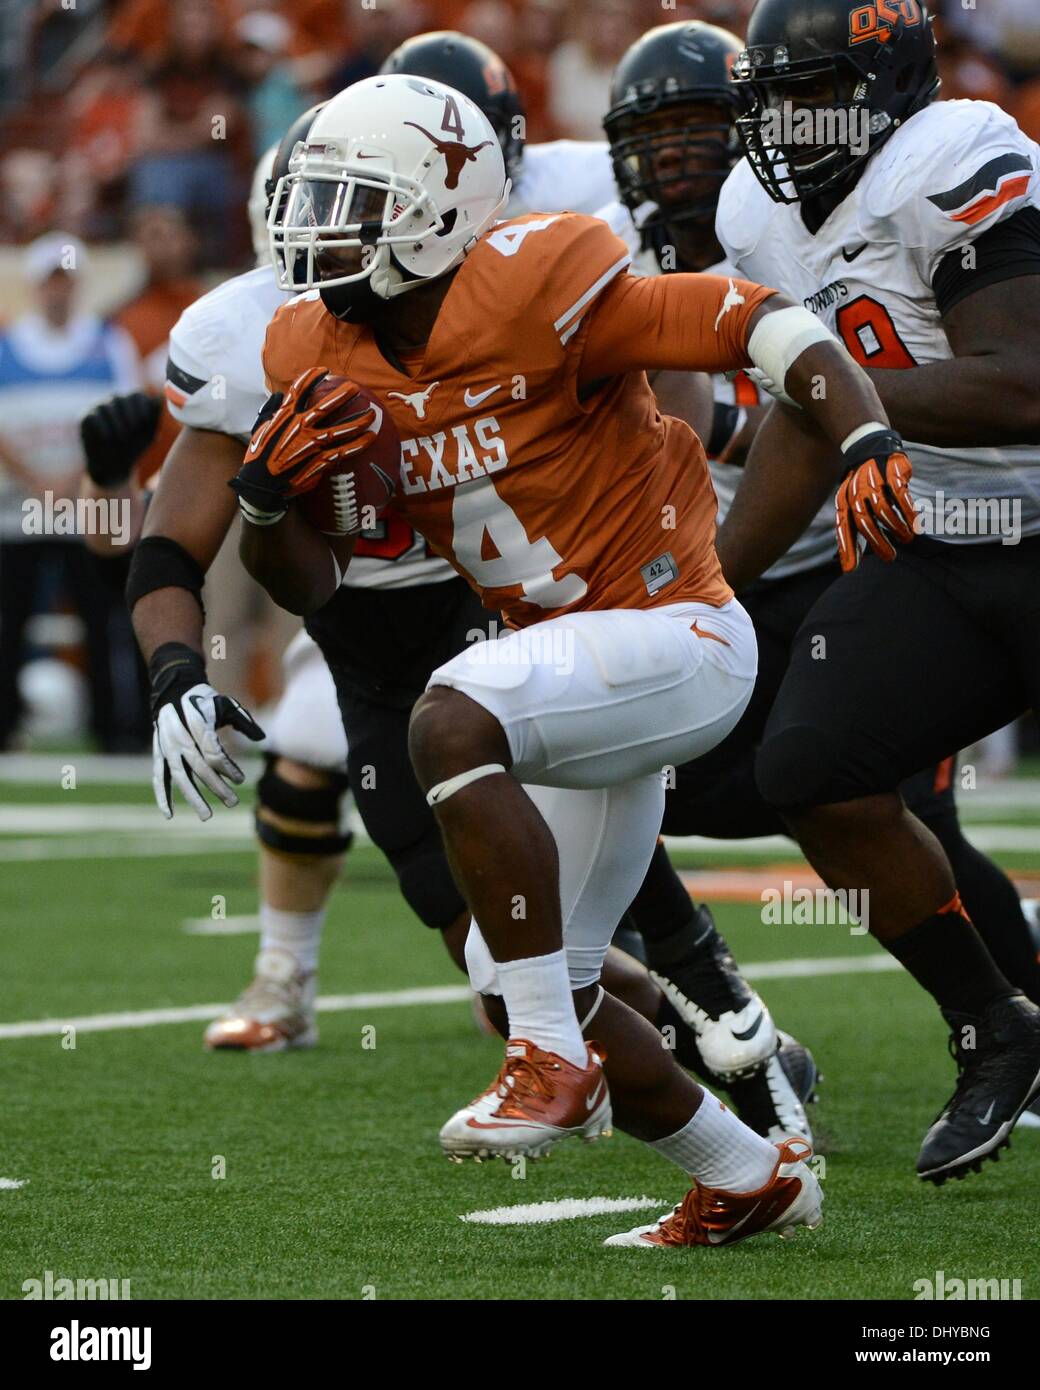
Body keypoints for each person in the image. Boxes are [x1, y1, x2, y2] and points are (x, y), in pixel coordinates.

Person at [241, 71, 910, 1247]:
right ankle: (748, 1173)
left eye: (354, 202)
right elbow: (317, 579)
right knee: (534, 971)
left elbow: (753, 316)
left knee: (447, 718)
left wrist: (861, 432)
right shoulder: (313, 340)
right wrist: (264, 500)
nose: (320, 232)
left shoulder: (539, 273)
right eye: (316, 202)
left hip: (676, 633)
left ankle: (549, 1062)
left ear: (442, 204)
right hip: (563, 671)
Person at [598, 18, 1040, 1137]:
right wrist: (708, 581)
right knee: (814, 767)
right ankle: (993, 1023)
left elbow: (1019, 383)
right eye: (774, 99)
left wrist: (839, 387)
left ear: (887, 85)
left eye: (818, 96)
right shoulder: (756, 212)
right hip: (941, 537)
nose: (789, 125)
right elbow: (807, 415)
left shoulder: (952, 152)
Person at [0, 232, 142, 750]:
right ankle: (5, 727)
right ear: (37, 287)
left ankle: (113, 730)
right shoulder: (7, 345)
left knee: (102, 621)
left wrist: (72, 479)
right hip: (18, 514)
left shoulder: (109, 343)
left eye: (65, 281)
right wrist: (38, 481)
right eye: (49, 282)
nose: (57, 292)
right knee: (9, 621)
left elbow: (125, 419)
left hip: (90, 517)